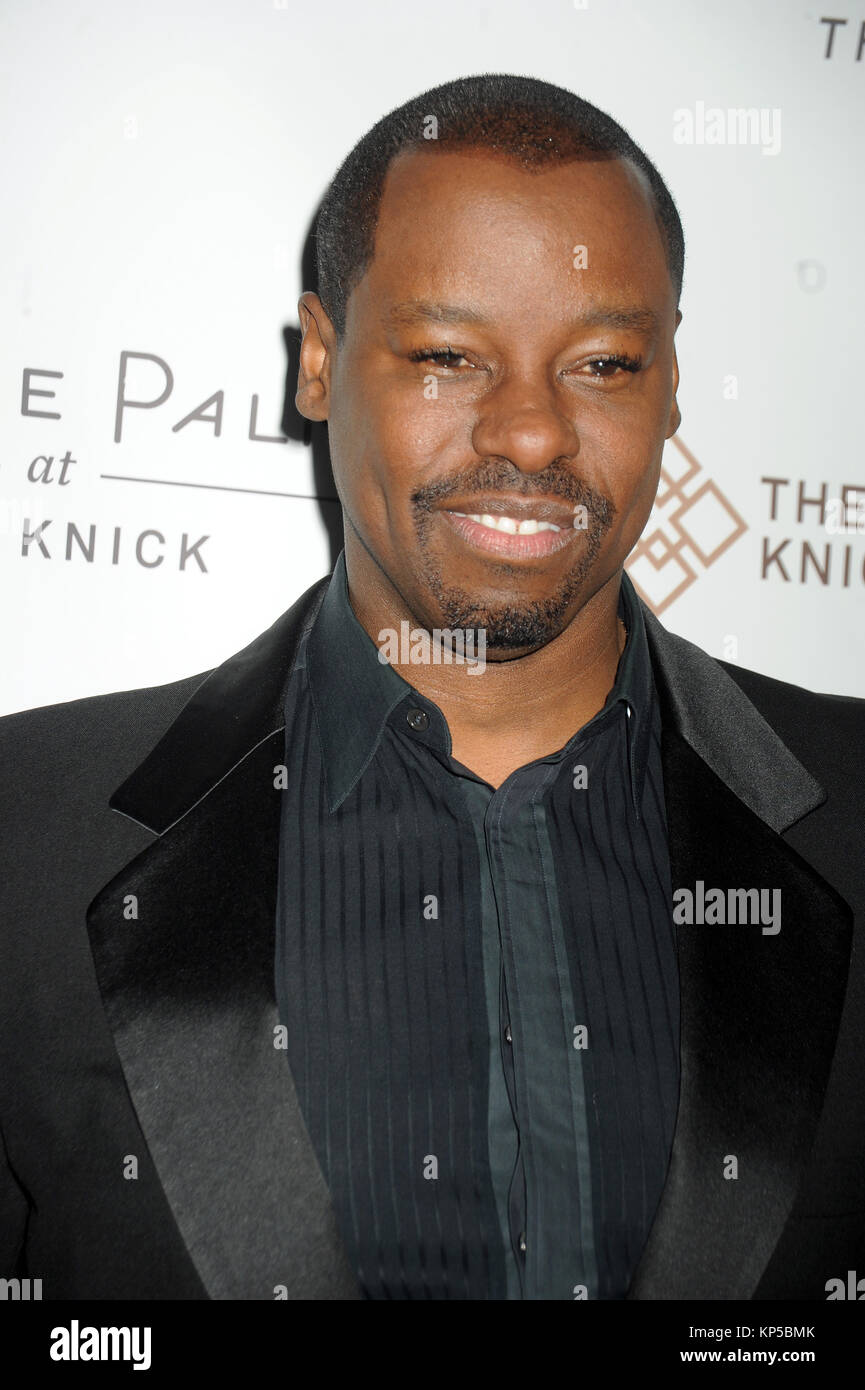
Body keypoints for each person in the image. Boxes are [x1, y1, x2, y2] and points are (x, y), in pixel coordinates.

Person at [1, 73, 863, 1302]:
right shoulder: (26, 835)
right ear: (319, 363)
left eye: (605, 362)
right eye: (450, 354)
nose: (528, 432)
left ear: (673, 385)